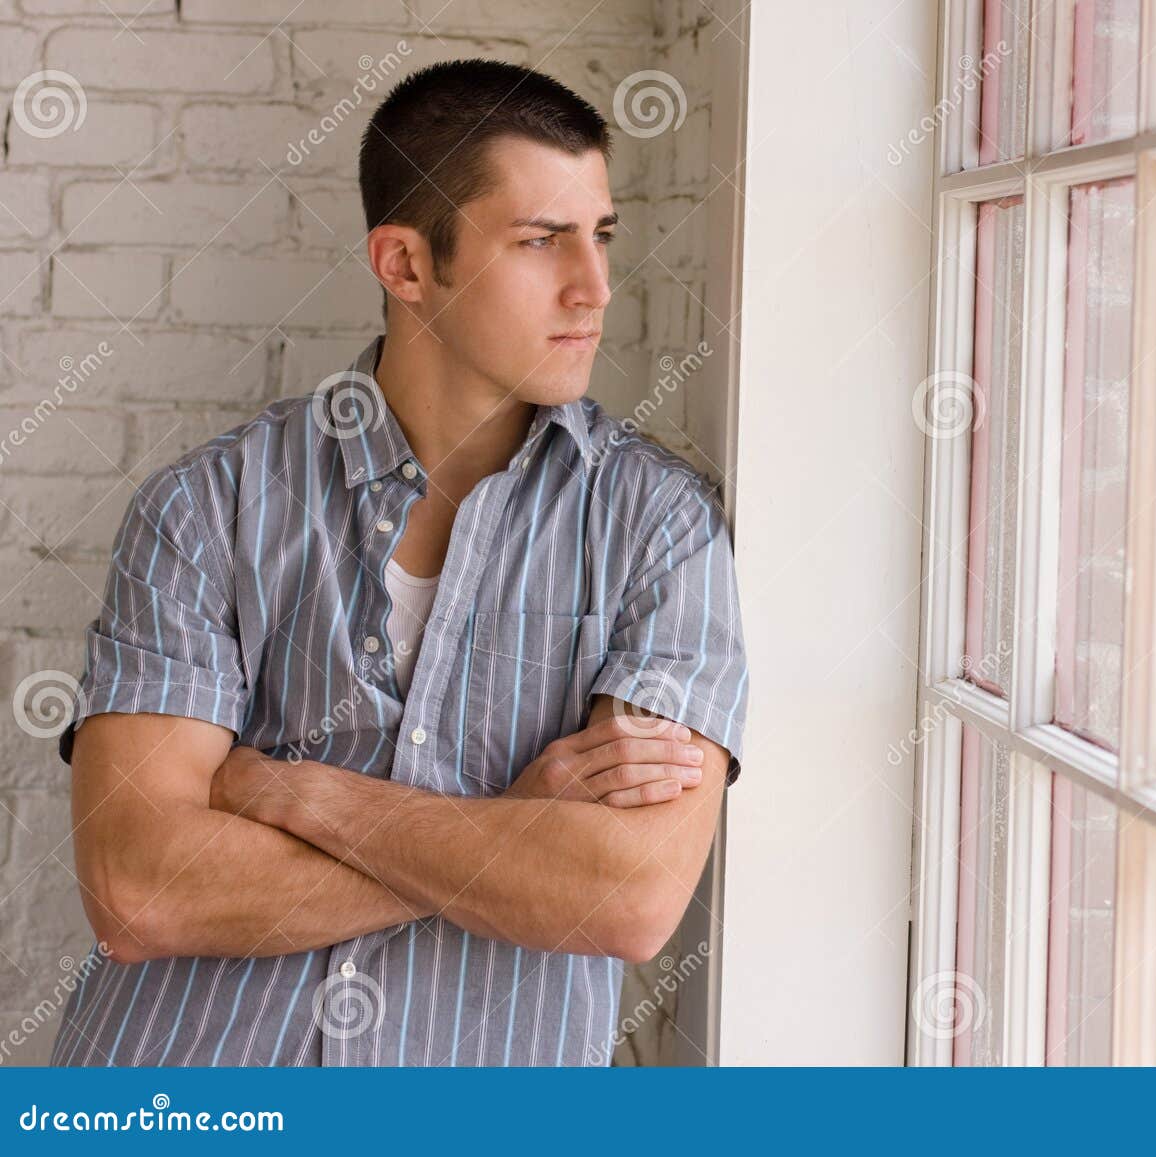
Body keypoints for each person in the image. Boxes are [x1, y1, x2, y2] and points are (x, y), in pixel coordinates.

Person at [48, 58, 748, 1068]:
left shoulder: (660, 528)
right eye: (541, 240)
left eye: (600, 236)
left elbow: (625, 897)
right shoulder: (204, 508)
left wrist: (301, 796)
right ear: (407, 264)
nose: (593, 287)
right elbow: (140, 892)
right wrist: (515, 830)